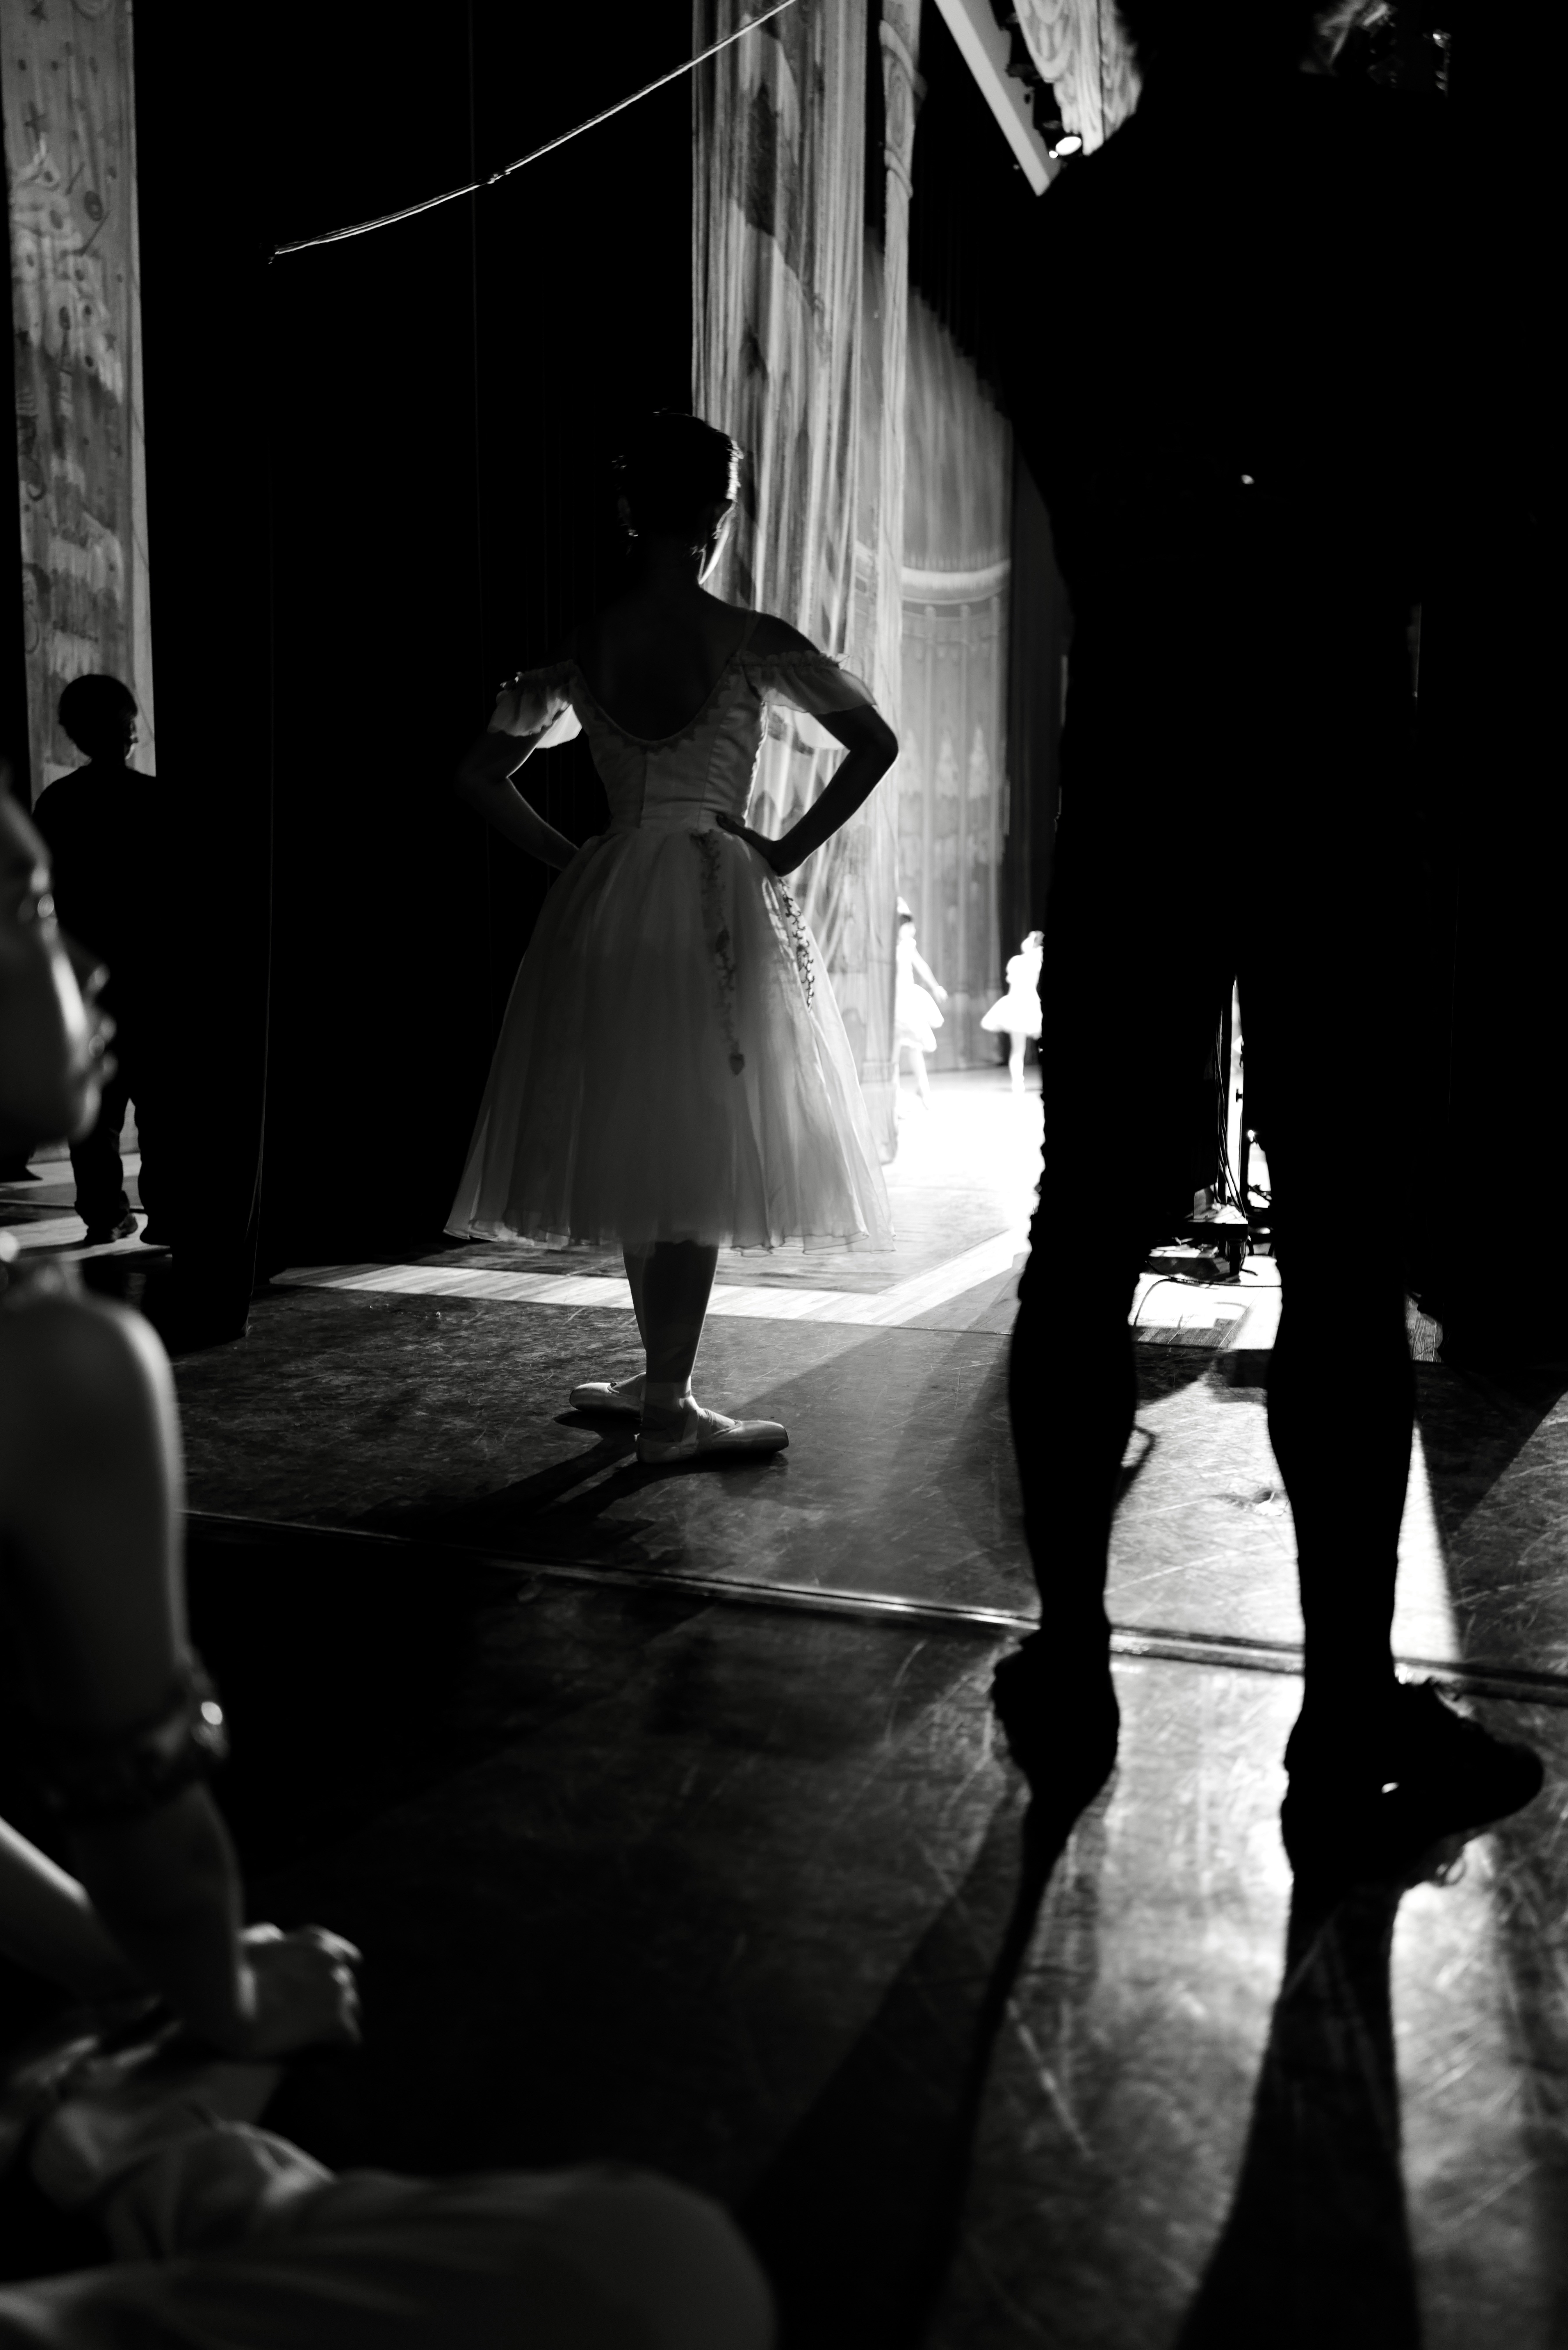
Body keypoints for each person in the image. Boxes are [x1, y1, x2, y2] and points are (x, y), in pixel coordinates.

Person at [0, 766, 775, 2347]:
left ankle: (144, 2162)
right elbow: (165, 1855)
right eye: (25, 917)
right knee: (661, 2283)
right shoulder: (58, 1381)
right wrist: (216, 1994)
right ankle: (159, 2179)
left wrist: (120, 1984)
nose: (83, 964)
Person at [992, 0, 1543, 1872]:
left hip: (1141, 770)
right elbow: (1464, 486)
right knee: (1339, 1240)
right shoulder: (1398, 179)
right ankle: (1334, 1712)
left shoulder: (1064, 238)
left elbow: (1111, 515)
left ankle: (1066, 1661)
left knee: (1081, 1230)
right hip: (1323, 764)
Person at [448, 411, 898, 1466]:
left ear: (628, 513)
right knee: (693, 1142)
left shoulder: (586, 645)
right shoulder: (752, 640)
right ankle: (669, 1407)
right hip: (710, 893)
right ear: (720, 513)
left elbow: (474, 776)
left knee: (637, 1134)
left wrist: (579, 861)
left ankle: (662, 1382)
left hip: (612, 898)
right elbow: (874, 743)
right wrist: (782, 848)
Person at [30, 676, 170, 1248]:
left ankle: (104, 1212)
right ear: (129, 729)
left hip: (86, 974)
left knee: (97, 1111)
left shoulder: (57, 804)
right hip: (154, 973)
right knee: (162, 1105)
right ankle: (170, 1208)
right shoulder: (157, 800)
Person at [892, 901, 947, 1108]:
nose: (911, 930)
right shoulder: (887, 946)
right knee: (894, 1049)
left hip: (908, 997)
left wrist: (935, 987)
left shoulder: (908, 945)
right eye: (906, 925)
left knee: (915, 1044)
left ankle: (924, 1089)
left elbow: (921, 966)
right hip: (894, 1000)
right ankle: (895, 1094)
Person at [979, 930, 1043, 1095]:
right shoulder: (1036, 962)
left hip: (1014, 1004)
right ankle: (1018, 1082)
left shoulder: (1015, 961)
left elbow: (1012, 980)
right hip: (1028, 1004)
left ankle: (1017, 1082)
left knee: (1018, 1049)